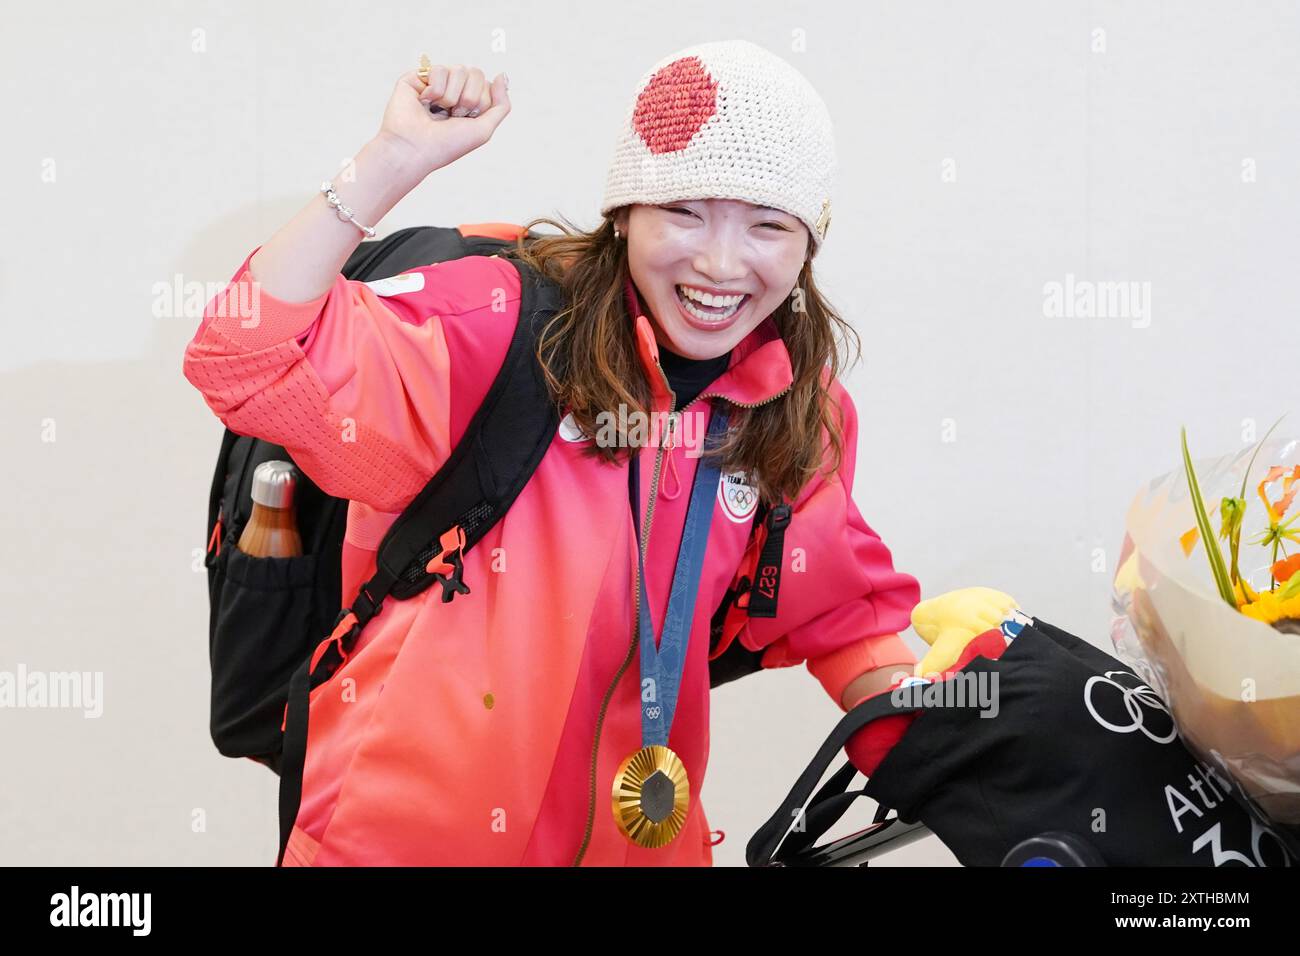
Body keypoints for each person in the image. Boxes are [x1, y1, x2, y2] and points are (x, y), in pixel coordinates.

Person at [182, 38, 922, 866]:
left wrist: (941, 752)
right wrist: (387, 165)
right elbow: (242, 359)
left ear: (808, 244)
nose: (720, 262)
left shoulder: (797, 406)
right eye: (684, 212)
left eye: (767, 225)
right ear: (625, 215)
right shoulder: (498, 328)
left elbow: (846, 617)